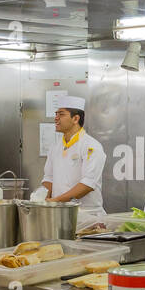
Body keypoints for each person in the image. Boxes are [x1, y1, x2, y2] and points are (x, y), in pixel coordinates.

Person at [40, 95, 106, 225]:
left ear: (76, 118)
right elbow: (49, 178)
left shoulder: (91, 146)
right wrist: (43, 200)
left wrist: (57, 200)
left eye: (61, 114)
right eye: (56, 114)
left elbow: (87, 185)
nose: (56, 118)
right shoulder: (55, 147)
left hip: (87, 218)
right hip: (59, 215)